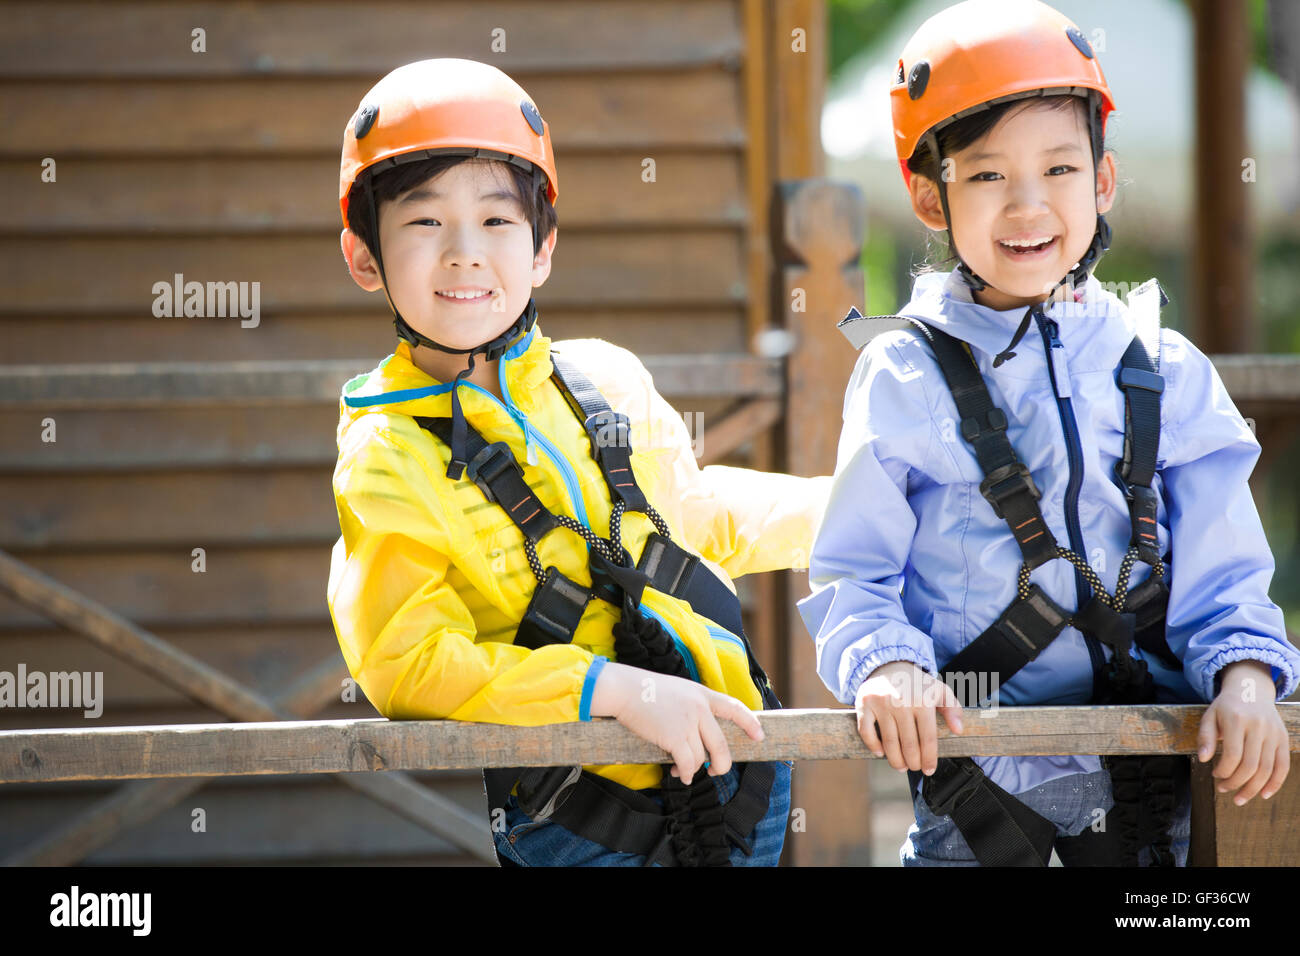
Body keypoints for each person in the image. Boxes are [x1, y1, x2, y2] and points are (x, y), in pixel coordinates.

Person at [799, 0, 1298, 866]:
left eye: (1060, 169)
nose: (1028, 206)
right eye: (988, 175)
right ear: (929, 194)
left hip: (1163, 785)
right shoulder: (903, 378)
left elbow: (1226, 581)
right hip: (979, 791)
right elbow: (856, 576)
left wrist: (1248, 676)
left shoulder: (1165, 369)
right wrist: (885, 666)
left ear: (1102, 183)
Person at [326, 58, 828, 867]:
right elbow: (408, 661)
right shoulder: (387, 454)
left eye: (496, 221)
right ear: (364, 257)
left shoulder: (603, 378)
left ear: (544, 247)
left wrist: (848, 510)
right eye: (423, 224)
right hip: (585, 815)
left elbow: (689, 520)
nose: (463, 254)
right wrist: (611, 691)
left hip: (742, 774)